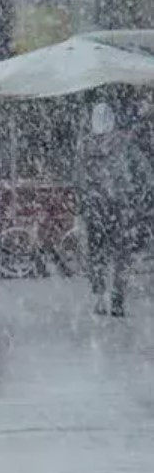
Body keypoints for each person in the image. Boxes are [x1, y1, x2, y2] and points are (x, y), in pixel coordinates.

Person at [79, 101, 154, 317]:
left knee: (96, 254)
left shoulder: (85, 145)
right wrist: (138, 197)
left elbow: (79, 179)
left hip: (95, 208)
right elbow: (146, 174)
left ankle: (100, 297)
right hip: (121, 207)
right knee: (121, 254)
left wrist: (83, 201)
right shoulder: (125, 143)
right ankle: (117, 297)